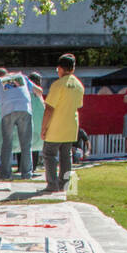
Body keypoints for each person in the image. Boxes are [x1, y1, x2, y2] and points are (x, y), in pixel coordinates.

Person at [40, 53, 85, 193]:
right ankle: (65, 184)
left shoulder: (58, 85)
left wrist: (43, 128)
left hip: (55, 126)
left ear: (59, 68)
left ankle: (52, 184)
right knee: (66, 156)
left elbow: (49, 109)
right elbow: (78, 105)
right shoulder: (79, 85)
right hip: (71, 126)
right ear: (73, 68)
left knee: (49, 155)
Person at [0, 65, 34, 180]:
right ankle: (27, 174)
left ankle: (5, 174)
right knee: (26, 144)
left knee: (7, 143)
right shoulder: (20, 77)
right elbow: (36, 90)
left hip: (8, 112)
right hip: (25, 109)